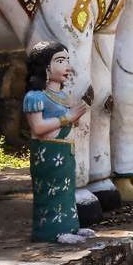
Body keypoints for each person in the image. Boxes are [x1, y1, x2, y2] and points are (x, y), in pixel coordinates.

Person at [24, 41, 96, 244]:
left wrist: (77, 115)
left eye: (67, 60)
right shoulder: (35, 97)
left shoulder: (62, 96)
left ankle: (69, 226)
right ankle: (50, 231)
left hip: (65, 152)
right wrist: (68, 117)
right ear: (45, 66)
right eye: (60, 60)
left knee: (67, 190)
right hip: (47, 153)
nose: (68, 67)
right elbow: (38, 128)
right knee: (50, 191)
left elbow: (68, 122)